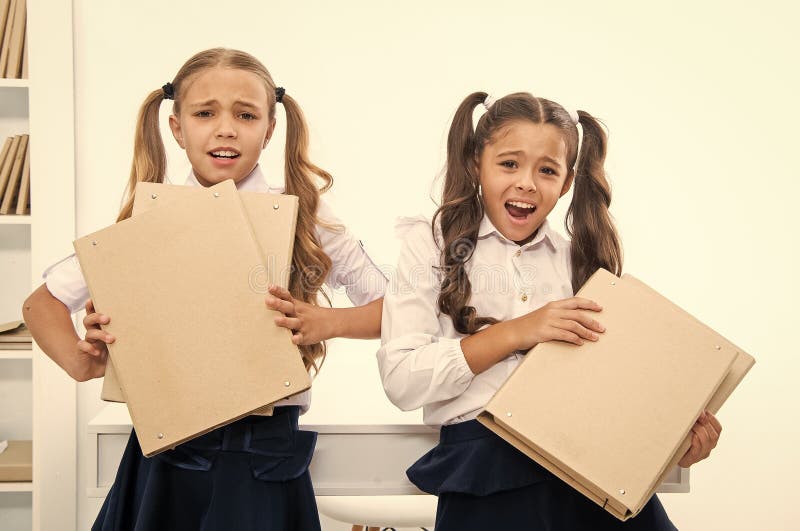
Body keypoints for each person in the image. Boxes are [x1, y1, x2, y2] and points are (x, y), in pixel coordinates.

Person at [22, 48, 386, 531]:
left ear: (270, 128)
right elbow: (39, 303)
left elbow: (396, 308)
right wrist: (82, 358)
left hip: (264, 459)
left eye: (246, 114)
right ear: (177, 127)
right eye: (205, 113)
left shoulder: (304, 218)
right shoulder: (148, 222)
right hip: (167, 458)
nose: (226, 128)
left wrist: (327, 321)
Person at [377, 91, 721, 530]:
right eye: (509, 164)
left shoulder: (580, 261)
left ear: (567, 182)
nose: (526, 182)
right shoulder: (431, 246)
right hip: (487, 475)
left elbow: (614, 393)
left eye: (547, 170)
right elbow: (402, 380)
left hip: (590, 475)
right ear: (474, 162)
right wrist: (518, 332)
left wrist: (672, 442)